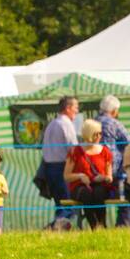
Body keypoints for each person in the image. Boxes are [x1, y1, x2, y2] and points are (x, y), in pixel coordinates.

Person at [40, 96, 79, 231]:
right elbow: (73, 148)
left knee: (60, 203)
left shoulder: (52, 123)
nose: (77, 111)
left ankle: (55, 229)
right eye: (75, 108)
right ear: (68, 109)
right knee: (67, 204)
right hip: (62, 167)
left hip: (49, 167)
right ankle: (53, 228)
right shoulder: (66, 124)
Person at [66, 118, 113, 229]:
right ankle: (94, 226)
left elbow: (109, 176)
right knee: (86, 194)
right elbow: (66, 176)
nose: (99, 137)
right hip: (79, 186)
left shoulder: (105, 151)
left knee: (98, 193)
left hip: (99, 185)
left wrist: (105, 178)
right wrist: (80, 176)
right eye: (96, 134)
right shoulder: (75, 151)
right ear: (88, 134)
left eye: (100, 134)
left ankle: (102, 225)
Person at [96, 95, 130, 226]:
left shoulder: (93, 122)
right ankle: (122, 225)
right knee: (124, 199)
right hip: (115, 168)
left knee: (98, 197)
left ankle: (99, 225)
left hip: (96, 169)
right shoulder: (114, 123)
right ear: (114, 110)